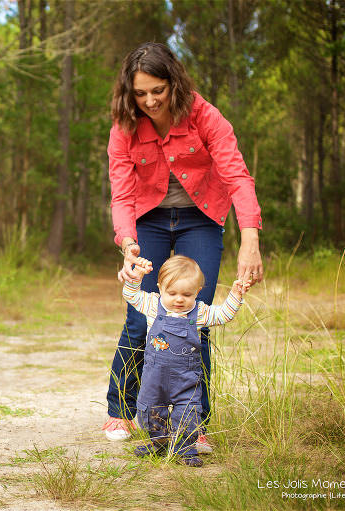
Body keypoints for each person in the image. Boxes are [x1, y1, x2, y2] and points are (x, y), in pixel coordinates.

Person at [101, 42, 263, 454]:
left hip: (200, 218)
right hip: (148, 219)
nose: (150, 101)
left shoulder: (205, 116)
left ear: (174, 83)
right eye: (140, 93)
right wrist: (128, 244)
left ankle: (195, 422)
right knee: (141, 320)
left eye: (158, 90)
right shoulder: (124, 126)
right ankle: (121, 409)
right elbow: (122, 193)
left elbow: (237, 177)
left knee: (194, 318)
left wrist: (250, 239)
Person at [119, 255, 249, 467]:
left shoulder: (200, 313)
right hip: (154, 377)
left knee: (188, 413)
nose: (179, 299)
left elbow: (224, 315)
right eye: (172, 293)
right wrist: (137, 277)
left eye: (187, 294)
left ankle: (184, 448)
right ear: (160, 288)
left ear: (197, 292)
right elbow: (130, 295)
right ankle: (159, 443)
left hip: (186, 378)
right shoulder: (152, 304)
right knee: (150, 409)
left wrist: (235, 294)